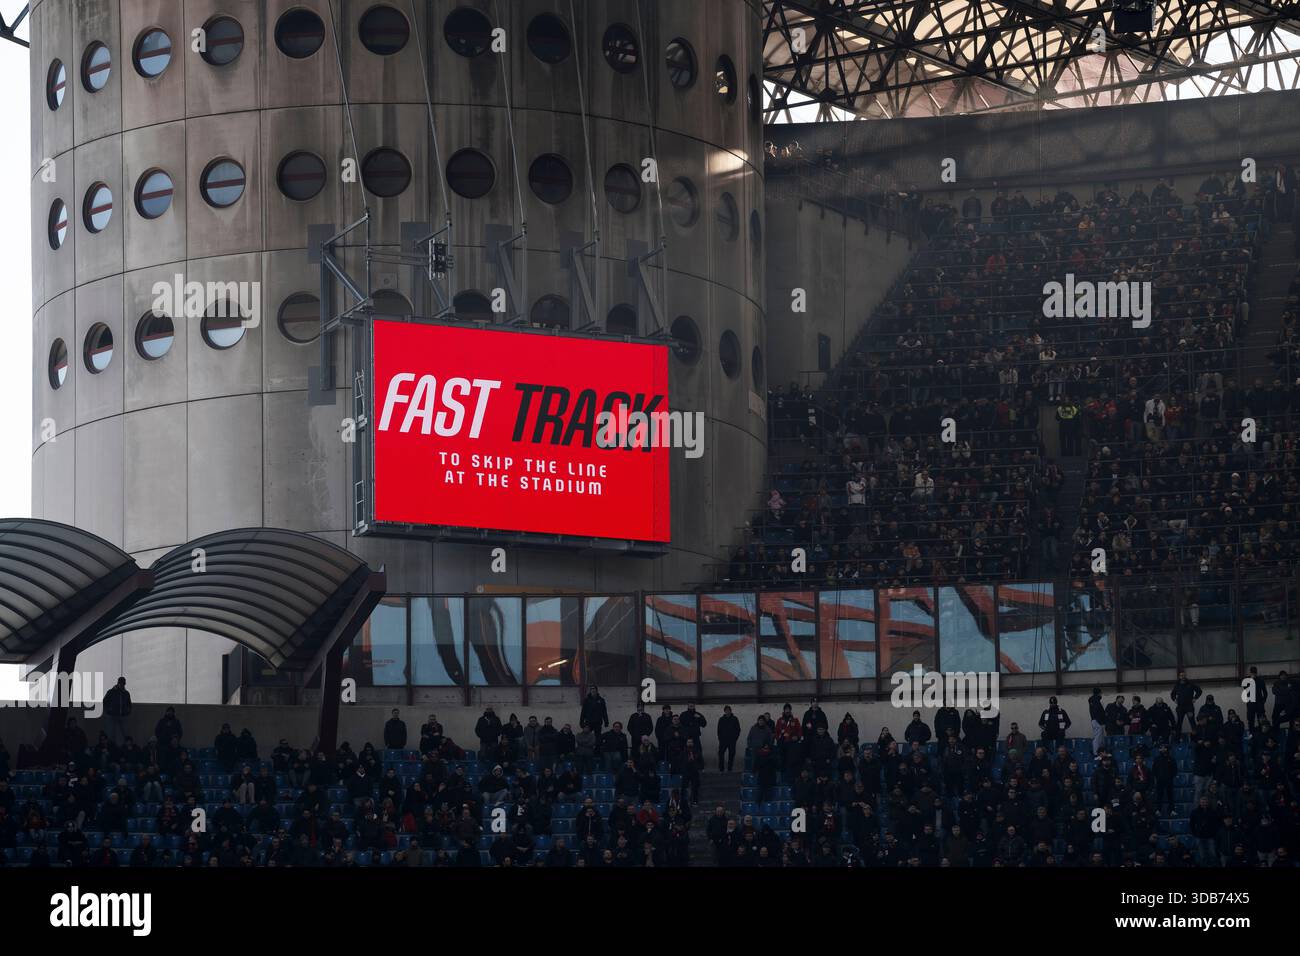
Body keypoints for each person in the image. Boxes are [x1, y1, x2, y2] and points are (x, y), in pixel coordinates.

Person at [1171, 671, 1202, 739]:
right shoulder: (1177, 685)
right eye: (1181, 675)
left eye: (1184, 675)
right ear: (1179, 677)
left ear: (1185, 676)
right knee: (1179, 723)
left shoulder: (1190, 684)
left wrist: (1195, 698)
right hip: (1180, 707)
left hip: (1189, 707)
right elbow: (1172, 694)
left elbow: (1199, 691)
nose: (1183, 677)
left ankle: (1195, 738)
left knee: (1192, 723)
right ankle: (1177, 738)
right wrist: (1174, 700)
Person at [101, 677, 131, 746]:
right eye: (121, 684)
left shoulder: (126, 693)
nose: (122, 685)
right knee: (111, 734)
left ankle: (124, 748)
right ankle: (111, 748)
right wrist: (108, 711)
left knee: (125, 734)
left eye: (123, 684)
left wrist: (128, 711)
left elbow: (129, 704)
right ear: (118, 683)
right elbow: (105, 701)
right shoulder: (111, 692)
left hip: (123, 715)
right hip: (112, 715)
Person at [716, 706, 740, 772]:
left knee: (731, 754)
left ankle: (730, 768)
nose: (727, 711)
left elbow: (738, 729)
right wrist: (720, 738)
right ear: (724, 711)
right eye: (726, 710)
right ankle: (721, 768)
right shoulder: (721, 719)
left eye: (728, 710)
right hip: (723, 740)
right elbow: (719, 730)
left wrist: (735, 738)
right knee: (721, 753)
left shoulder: (735, 719)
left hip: (732, 740)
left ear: (730, 711)